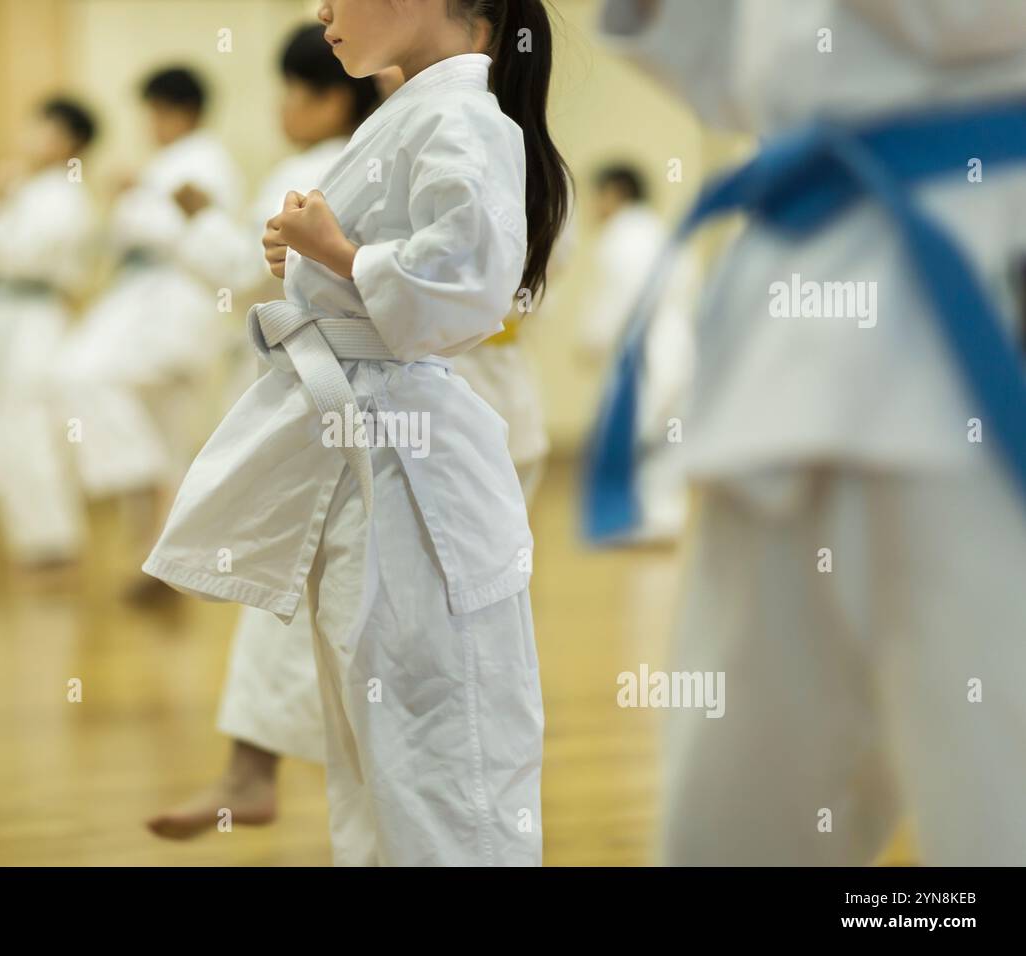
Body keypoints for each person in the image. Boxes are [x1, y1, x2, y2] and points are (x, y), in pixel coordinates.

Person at [589, 0, 1026, 865]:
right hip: (788, 321)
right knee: (732, 814)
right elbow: (735, 74)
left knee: (992, 799)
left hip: (977, 268)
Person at [144, 0, 569, 866]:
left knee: (436, 737)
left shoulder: (464, 114)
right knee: (378, 743)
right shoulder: (423, 109)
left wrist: (337, 255)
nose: (325, 9)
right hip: (364, 434)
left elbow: (470, 283)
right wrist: (309, 255)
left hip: (410, 450)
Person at [147, 24, 381, 837]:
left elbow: (254, 267)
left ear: (338, 93)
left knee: (324, 595)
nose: (284, 106)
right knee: (288, 585)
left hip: (351, 404)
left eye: (298, 90)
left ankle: (256, 775)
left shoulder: (331, 163)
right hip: (335, 400)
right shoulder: (375, 148)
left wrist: (201, 219)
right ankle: (249, 771)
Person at [56, 67, 241, 587]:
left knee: (84, 375)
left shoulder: (205, 161)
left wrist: (140, 194)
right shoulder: (167, 163)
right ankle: (162, 560)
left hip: (177, 298)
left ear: (181, 111)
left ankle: (148, 488)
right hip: (144, 298)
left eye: (156, 112)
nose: (150, 124)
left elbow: (194, 231)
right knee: (162, 427)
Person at [0, 97, 99, 570]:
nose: (28, 137)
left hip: (38, 316)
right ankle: (29, 540)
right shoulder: (30, 190)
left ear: (67, 140)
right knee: (6, 426)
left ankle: (54, 540)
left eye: (39, 127)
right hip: (6, 315)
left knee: (35, 426)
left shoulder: (66, 195)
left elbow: (18, 255)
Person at [582, 162, 697, 541]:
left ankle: (644, 520)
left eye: (597, 196)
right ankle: (662, 517)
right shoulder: (658, 229)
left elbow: (621, 295)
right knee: (665, 431)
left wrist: (594, 339)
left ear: (615, 193)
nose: (594, 207)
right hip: (677, 339)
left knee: (641, 429)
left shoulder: (624, 233)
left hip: (647, 344)